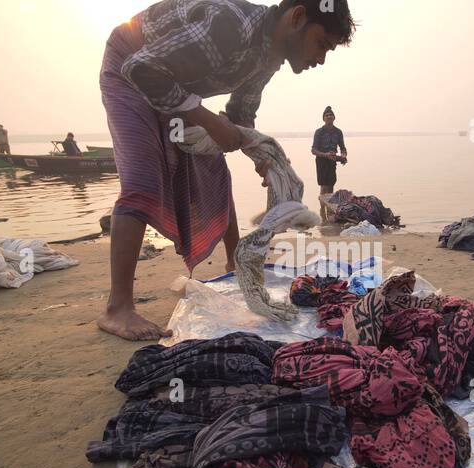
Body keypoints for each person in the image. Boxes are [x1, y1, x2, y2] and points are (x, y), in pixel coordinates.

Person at [97, 0, 356, 341]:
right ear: (296, 18)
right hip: (130, 69)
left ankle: (237, 263)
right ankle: (118, 308)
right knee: (143, 180)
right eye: (321, 44)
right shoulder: (229, 24)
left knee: (216, 171)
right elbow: (140, 67)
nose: (320, 59)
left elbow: (240, 116)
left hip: (174, 86)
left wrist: (265, 158)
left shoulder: (270, 58)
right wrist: (206, 120)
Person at [312, 106, 347, 197]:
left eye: (331, 115)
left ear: (334, 118)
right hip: (321, 161)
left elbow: (343, 148)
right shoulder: (319, 132)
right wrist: (325, 155)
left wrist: (343, 155)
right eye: (326, 115)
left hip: (332, 160)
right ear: (323, 119)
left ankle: (328, 210)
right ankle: (323, 209)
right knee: (323, 187)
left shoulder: (338, 132)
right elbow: (314, 150)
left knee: (331, 187)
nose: (329, 116)